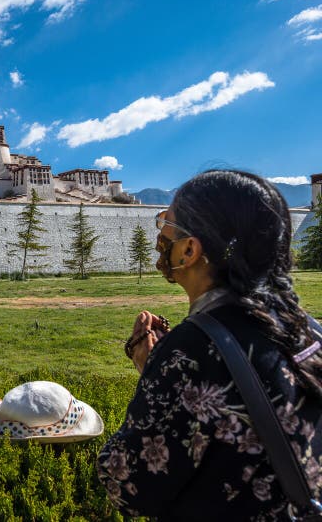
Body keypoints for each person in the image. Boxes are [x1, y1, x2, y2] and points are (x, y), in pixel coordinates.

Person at [96, 170, 322, 520]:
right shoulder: (306, 328)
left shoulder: (191, 351)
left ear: (189, 250)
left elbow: (128, 485)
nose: (160, 236)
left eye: (166, 225)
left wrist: (155, 372)